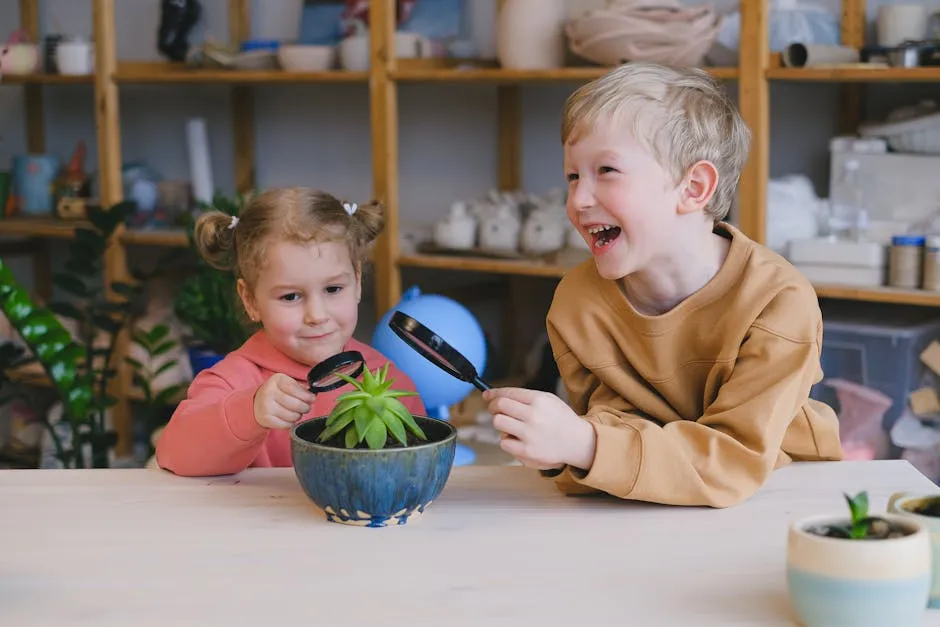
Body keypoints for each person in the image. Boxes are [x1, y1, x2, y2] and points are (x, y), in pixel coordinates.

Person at [483, 62, 843, 508]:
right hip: (649, 502)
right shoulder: (578, 303)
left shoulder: (777, 301)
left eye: (607, 171)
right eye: (573, 176)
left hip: (786, 495)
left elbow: (732, 461)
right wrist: (558, 447)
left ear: (693, 188)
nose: (577, 200)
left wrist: (583, 445)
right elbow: (612, 438)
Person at [155, 187, 426, 476]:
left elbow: (418, 467)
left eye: (333, 289)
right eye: (290, 297)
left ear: (357, 281)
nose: (317, 316)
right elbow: (174, 453)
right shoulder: (235, 380)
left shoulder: (387, 379)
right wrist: (250, 413)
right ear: (250, 300)